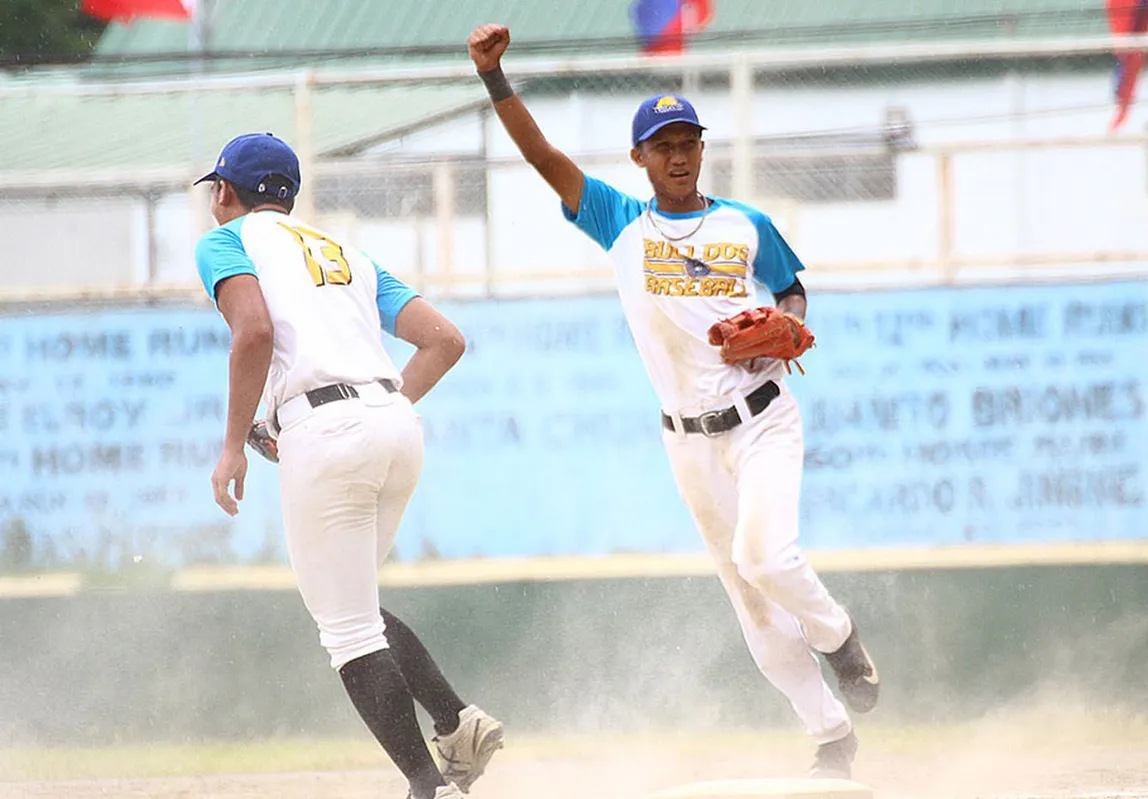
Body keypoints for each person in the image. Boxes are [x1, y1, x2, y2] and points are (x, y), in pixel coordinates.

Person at [467, 25, 880, 779]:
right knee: (751, 601)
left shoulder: (745, 223)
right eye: (663, 146)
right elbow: (543, 157)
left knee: (766, 555)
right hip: (687, 442)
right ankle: (832, 738)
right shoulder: (621, 223)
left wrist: (788, 321)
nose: (680, 155)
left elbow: (791, 291)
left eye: (689, 142)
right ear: (640, 159)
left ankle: (838, 636)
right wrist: (495, 78)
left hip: (762, 417)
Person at [193, 132, 503, 799]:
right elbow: (445, 341)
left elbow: (254, 331)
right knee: (356, 605)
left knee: (348, 630)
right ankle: (456, 722)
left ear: (224, 191)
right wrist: (372, 409)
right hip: (395, 421)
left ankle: (428, 787)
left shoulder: (226, 241)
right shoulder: (343, 252)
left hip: (328, 433)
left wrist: (232, 444)